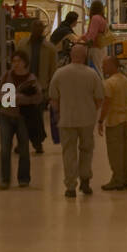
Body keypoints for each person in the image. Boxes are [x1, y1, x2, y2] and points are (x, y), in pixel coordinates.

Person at [50, 42, 105, 199]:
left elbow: (53, 99)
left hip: (66, 119)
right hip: (87, 119)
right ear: (85, 56)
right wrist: (91, 110)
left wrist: (59, 113)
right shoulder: (92, 74)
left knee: (69, 152)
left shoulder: (59, 74)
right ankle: (85, 181)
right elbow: (99, 98)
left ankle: (70, 187)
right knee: (87, 150)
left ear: (71, 56)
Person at [0, 49, 40, 190]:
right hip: (6, 116)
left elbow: (38, 97)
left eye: (18, 61)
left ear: (25, 63)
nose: (15, 64)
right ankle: (4, 179)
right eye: (14, 61)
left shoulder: (31, 79)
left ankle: (23, 178)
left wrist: (20, 98)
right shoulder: (6, 76)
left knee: (24, 149)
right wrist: (5, 96)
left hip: (23, 118)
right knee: (5, 149)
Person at [16, 20, 57, 151]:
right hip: (23, 86)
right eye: (35, 27)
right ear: (31, 28)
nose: (38, 30)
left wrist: (51, 90)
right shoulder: (22, 44)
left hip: (41, 88)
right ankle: (22, 143)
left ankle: (37, 143)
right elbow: (16, 63)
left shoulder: (50, 48)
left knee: (37, 118)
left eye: (40, 27)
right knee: (21, 117)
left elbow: (53, 69)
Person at [97, 56, 127, 192]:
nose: (102, 67)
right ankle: (125, 177)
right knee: (123, 149)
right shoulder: (125, 80)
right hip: (125, 119)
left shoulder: (109, 83)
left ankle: (117, 179)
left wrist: (100, 120)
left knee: (114, 152)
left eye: (105, 65)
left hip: (114, 121)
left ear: (113, 66)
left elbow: (106, 104)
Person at [83, 0, 109, 77]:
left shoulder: (95, 18)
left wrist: (85, 41)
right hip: (102, 47)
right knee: (100, 68)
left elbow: (92, 34)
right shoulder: (102, 19)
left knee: (96, 69)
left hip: (95, 48)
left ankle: (99, 87)